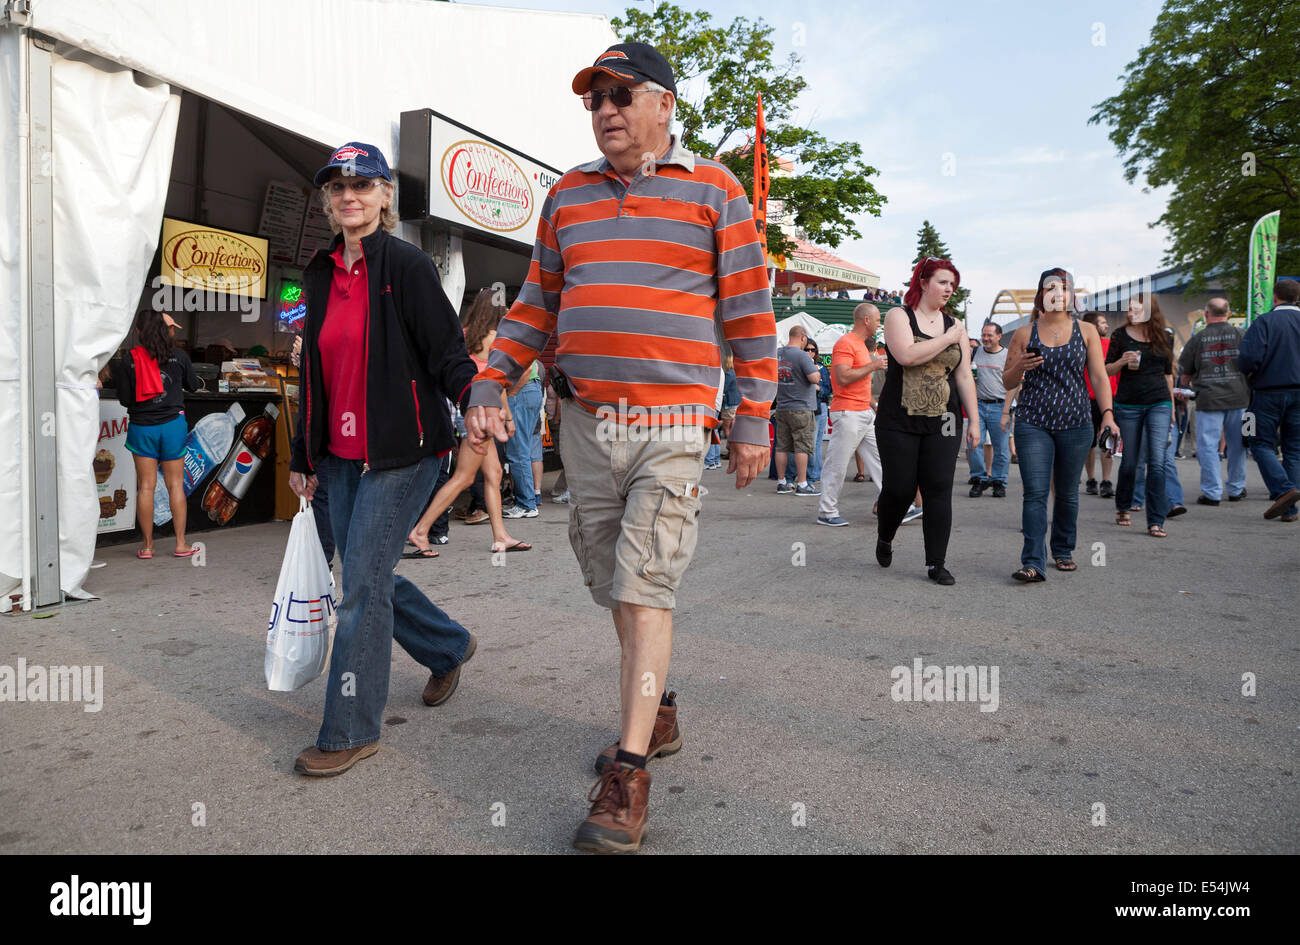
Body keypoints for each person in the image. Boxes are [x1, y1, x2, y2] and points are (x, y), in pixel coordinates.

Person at [464, 42, 776, 854]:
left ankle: (629, 772)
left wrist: (753, 413)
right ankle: (659, 703)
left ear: (664, 104)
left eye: (620, 94)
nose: (604, 109)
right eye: (594, 98)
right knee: (611, 581)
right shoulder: (566, 196)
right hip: (587, 424)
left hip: (673, 425)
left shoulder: (715, 190)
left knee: (644, 584)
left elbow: (748, 310)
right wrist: (493, 377)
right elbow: (538, 302)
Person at [287, 141, 479, 778]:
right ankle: (447, 645)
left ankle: (348, 729)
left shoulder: (407, 265)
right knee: (368, 580)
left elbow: (448, 352)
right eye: (338, 187)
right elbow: (309, 371)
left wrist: (476, 401)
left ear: (384, 196)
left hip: (400, 453)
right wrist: (302, 454)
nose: (350, 196)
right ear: (327, 200)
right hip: (338, 458)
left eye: (362, 186)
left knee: (362, 589)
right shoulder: (317, 273)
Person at [1002, 269, 1119, 581]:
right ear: (1041, 296)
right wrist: (1019, 366)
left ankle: (1063, 548)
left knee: (1067, 492)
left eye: (1063, 288)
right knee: (1036, 492)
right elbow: (1007, 381)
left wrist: (1107, 414)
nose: (1056, 294)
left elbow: (1098, 375)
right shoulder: (1025, 334)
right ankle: (1033, 562)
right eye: (1049, 288)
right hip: (1033, 422)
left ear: (1071, 296)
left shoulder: (1087, 332)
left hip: (1076, 422)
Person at [874, 258, 979, 585]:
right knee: (901, 488)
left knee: (938, 489)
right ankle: (885, 536)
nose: (949, 289)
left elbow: (964, 375)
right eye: (943, 282)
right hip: (898, 418)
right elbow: (906, 355)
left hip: (944, 420)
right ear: (922, 282)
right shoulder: (897, 316)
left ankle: (937, 563)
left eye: (952, 284)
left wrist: (974, 420)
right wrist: (948, 339)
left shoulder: (956, 324)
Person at [110, 310, 202, 559]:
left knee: (146, 487)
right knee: (175, 486)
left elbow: (126, 398)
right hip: (173, 426)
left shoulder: (128, 359)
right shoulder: (179, 357)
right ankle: (181, 543)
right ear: (166, 330)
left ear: (138, 332)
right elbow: (193, 385)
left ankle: (148, 546)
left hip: (143, 427)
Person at [1106, 292, 1176, 536]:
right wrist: (1122, 362)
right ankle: (1123, 505)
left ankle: (1156, 520)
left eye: (1136, 309)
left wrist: (1173, 409)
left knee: (1157, 461)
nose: (1130, 313)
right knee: (1130, 462)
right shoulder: (1119, 335)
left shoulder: (1165, 336)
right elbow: (1106, 370)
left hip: (1159, 402)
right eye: (1129, 309)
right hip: (1128, 404)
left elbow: (1168, 374)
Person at [817, 303, 886, 526]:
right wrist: (873, 366)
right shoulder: (846, 343)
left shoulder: (859, 344)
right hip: (848, 413)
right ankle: (827, 512)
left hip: (863, 412)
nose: (879, 323)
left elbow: (857, 385)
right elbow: (843, 377)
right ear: (866, 320)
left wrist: (872, 404)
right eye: (877, 319)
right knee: (837, 464)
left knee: (883, 463)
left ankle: (896, 506)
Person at [1238, 278, 1300, 521]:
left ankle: (1284, 491)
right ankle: (1290, 507)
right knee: (1294, 448)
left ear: (1275, 297)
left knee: (1259, 442)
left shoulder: (1264, 321)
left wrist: (1252, 372)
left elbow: (1247, 358)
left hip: (1268, 392)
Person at [1178, 297, 1248, 506]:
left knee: (1207, 446)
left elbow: (1185, 375)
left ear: (1206, 315)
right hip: (1239, 397)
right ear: (1229, 313)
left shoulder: (1197, 339)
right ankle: (1236, 488)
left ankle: (1212, 492)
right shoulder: (1242, 335)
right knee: (1239, 445)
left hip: (1208, 399)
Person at [773, 325, 822, 496]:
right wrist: (817, 373)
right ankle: (802, 484)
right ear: (803, 337)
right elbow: (813, 378)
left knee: (782, 446)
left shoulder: (777, 353)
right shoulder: (802, 356)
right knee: (802, 446)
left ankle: (782, 482)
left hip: (782, 406)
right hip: (801, 407)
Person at [967, 321, 1012, 497]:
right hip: (977, 404)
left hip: (999, 406)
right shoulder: (975, 353)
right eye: (983, 335)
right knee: (974, 443)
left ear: (999, 337)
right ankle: (979, 479)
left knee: (1001, 447)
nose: (985, 338)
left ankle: (999, 481)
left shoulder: (1008, 356)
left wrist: (1007, 411)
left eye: (989, 335)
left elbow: (1014, 385)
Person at [503, 354, 544, 519]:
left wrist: (511, 394)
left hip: (522, 391)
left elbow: (527, 369)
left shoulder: (511, 339)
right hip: (529, 390)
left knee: (518, 452)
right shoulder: (518, 336)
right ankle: (526, 502)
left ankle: (526, 504)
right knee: (522, 451)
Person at [1081, 312, 1117, 498]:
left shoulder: (1111, 345)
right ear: (1091, 326)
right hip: (1086, 398)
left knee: (1107, 441)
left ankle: (1106, 480)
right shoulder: (1082, 345)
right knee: (1089, 443)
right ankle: (1091, 478)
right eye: (1102, 323)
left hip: (1107, 399)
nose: (1106, 326)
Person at [785, 338, 830, 484]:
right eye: (807, 350)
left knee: (814, 444)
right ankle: (793, 476)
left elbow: (828, 390)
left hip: (818, 408)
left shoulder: (821, 368)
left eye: (813, 350)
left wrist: (818, 388)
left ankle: (813, 475)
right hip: (801, 408)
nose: (810, 352)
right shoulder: (797, 365)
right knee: (797, 445)